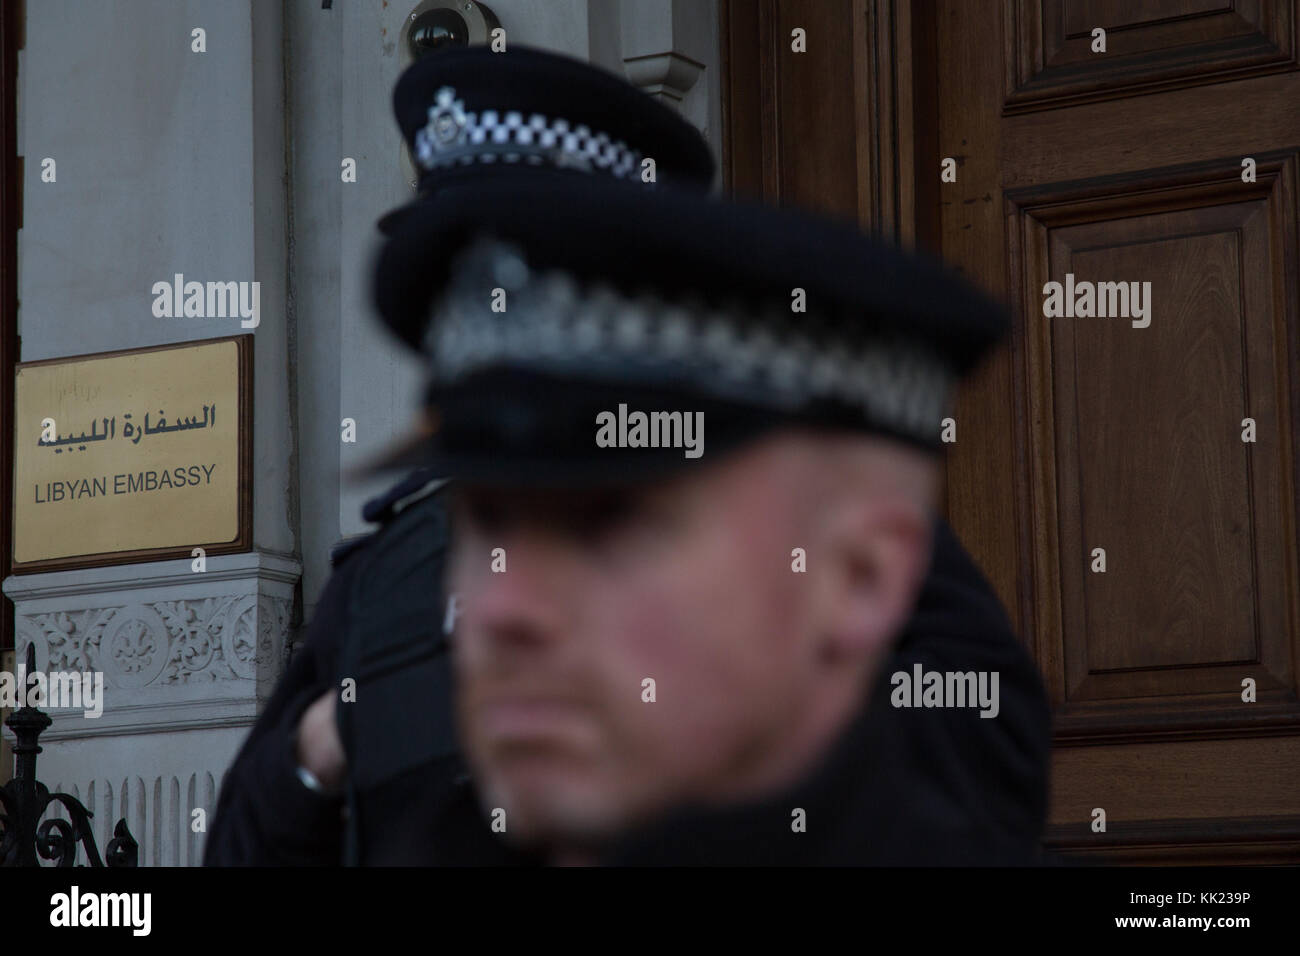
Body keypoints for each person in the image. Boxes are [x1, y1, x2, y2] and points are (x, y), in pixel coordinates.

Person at [205, 44, 1052, 866]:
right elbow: (247, 837)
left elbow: (983, 746)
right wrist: (331, 739)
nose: (505, 605)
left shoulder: (782, 499)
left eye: (610, 523)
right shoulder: (388, 564)